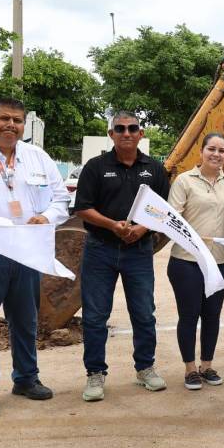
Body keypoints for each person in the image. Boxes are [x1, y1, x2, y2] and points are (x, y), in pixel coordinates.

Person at [0, 98, 69, 418]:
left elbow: (60, 198)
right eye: (4, 118)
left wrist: (47, 217)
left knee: (26, 320)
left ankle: (26, 378)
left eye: (17, 120)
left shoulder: (37, 158)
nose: (10, 125)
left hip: (27, 252)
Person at [74, 111, 171, 402]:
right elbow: (82, 208)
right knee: (94, 316)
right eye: (120, 128)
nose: (126, 133)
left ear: (141, 134)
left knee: (143, 313)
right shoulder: (95, 167)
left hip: (138, 252)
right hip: (100, 249)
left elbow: (163, 209)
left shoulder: (154, 169)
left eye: (132, 128)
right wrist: (112, 225)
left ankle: (145, 368)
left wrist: (141, 228)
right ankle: (95, 374)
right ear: (111, 134)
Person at [166, 133, 224, 390]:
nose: (216, 154)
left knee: (212, 315)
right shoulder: (184, 181)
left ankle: (207, 365)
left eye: (222, 150)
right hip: (187, 261)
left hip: (220, 261)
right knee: (189, 315)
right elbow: (172, 219)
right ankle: (190, 369)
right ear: (201, 151)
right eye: (212, 149)